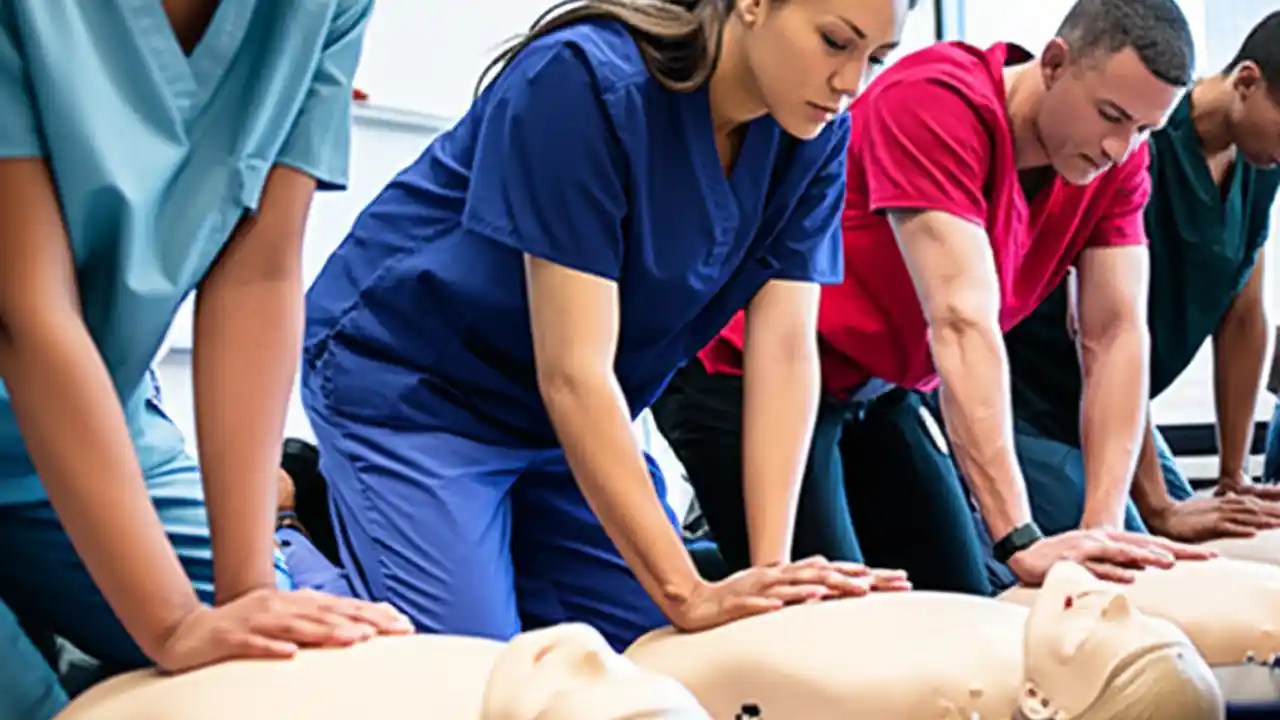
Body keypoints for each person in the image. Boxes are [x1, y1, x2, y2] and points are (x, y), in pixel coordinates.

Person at [301, 0, 917, 653]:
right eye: (834, 42)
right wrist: (689, 592)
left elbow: (786, 350)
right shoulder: (584, 79)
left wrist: (769, 579)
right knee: (476, 677)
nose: (851, 84)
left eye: (875, 58)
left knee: (668, 661)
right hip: (415, 388)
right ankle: (296, 529)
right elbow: (571, 371)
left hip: (559, 425)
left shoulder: (813, 138)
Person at [656, 0, 1212, 595]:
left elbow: (1117, 332)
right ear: (1053, 64)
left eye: (1144, 130)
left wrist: (1102, 531)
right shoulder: (938, 101)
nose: (1119, 148)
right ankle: (677, 567)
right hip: (745, 374)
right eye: (1111, 116)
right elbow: (960, 319)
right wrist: (1019, 536)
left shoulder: (1118, 164)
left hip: (878, 391)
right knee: (839, 611)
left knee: (962, 600)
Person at [0, 1, 412, 716]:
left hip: (99, 419)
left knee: (301, 670)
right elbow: (29, 310)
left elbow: (258, 272)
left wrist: (248, 587)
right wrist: (173, 625)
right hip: (38, 364)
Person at [1003, 10, 1280, 545]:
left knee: (1220, 542)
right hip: (1041, 398)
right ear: (1246, 81)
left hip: (1125, 409)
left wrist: (1232, 476)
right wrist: (1156, 506)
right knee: (1138, 550)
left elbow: (1243, 319)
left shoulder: (1260, 166)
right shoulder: (1135, 141)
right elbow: (1110, 332)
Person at [625, 561, 1223, 719]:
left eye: (1111, 638)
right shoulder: (1022, 638)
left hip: (643, 672)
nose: (1117, 604)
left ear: (1041, 703)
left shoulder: (940, 690)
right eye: (1147, 621)